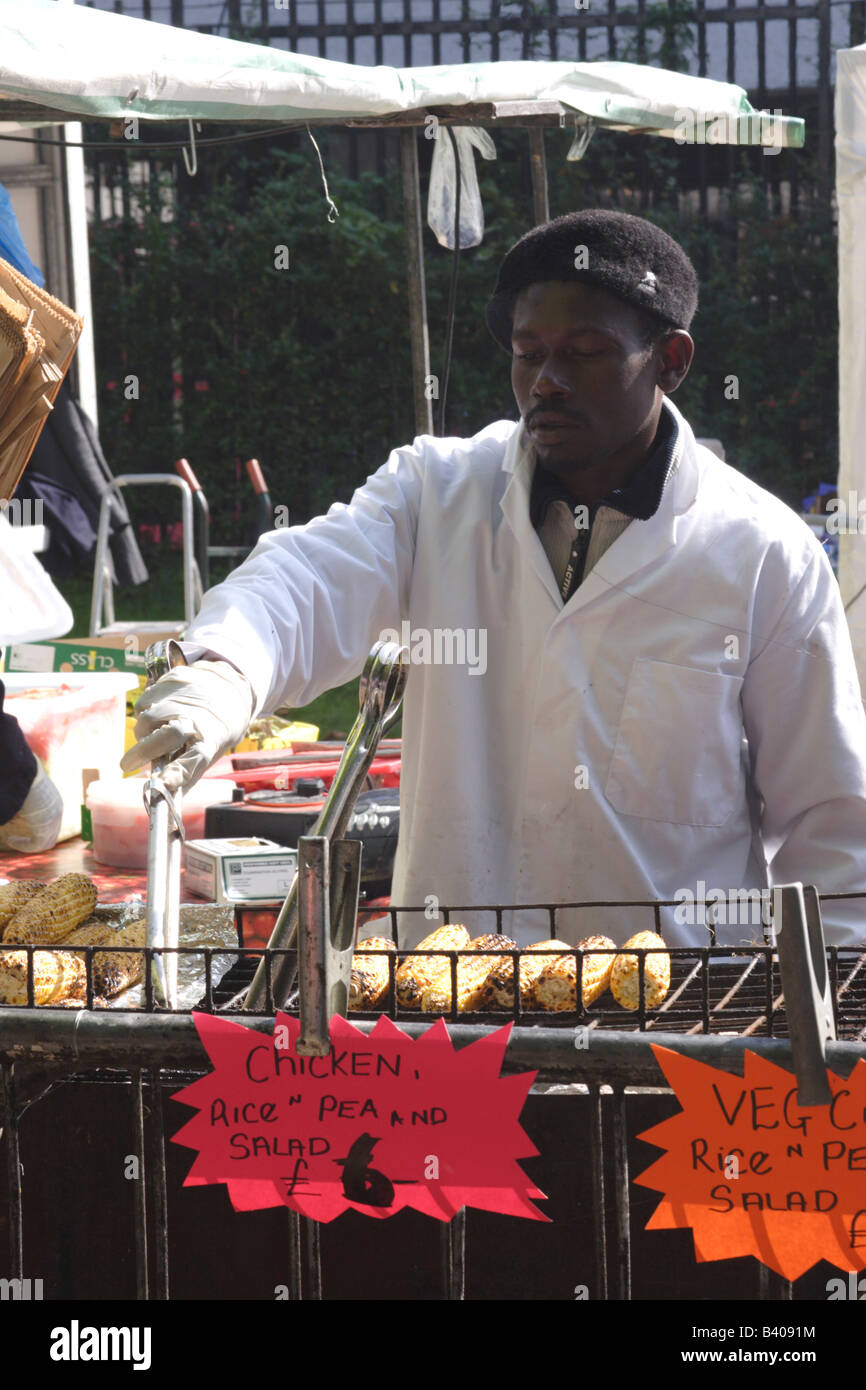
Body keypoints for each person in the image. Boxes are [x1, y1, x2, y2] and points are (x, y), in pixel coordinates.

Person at [122, 209, 866, 948]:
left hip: (674, 1021)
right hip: (447, 1004)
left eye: (585, 352)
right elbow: (308, 578)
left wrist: (819, 1032)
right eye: (528, 352)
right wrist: (226, 667)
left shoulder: (761, 553)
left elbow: (830, 823)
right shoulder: (437, 494)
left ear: (671, 360)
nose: (547, 382)